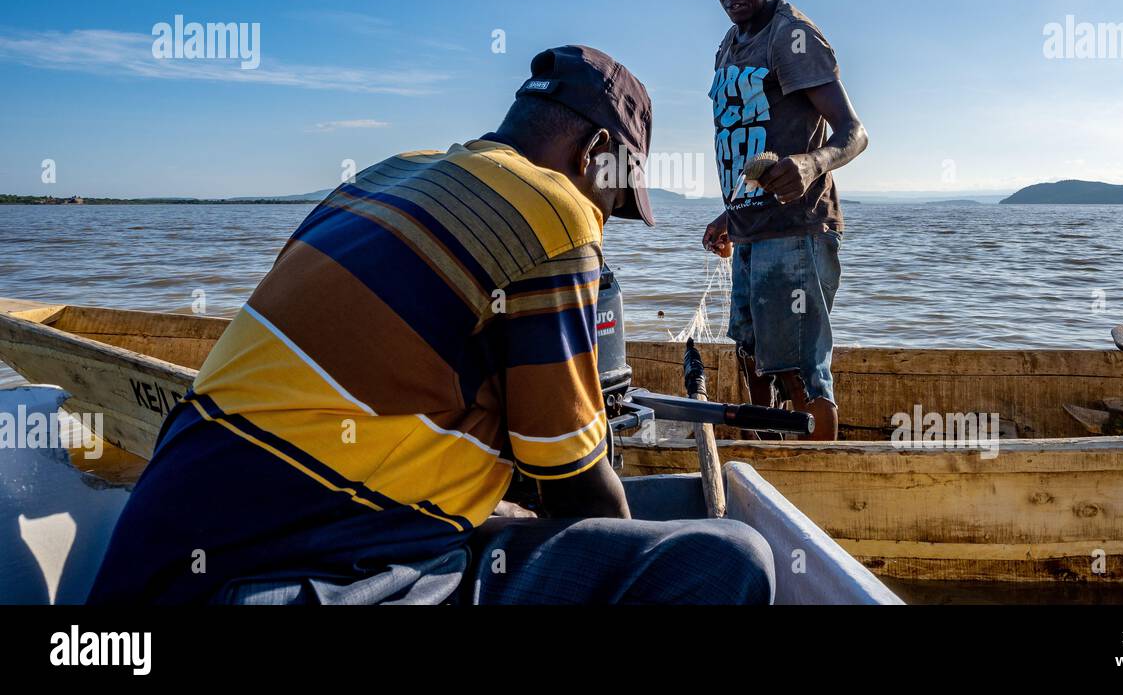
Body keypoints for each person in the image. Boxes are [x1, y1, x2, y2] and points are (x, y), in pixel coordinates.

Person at [89, 45, 774, 605]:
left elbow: (373, 402)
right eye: (615, 196)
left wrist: (472, 506)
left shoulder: (383, 177)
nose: (602, 218)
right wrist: (621, 558)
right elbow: (576, 488)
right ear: (598, 151)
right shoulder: (554, 213)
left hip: (149, 572)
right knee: (727, 560)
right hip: (289, 581)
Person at [702, 0, 868, 442]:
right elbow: (750, 137)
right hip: (752, 232)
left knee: (798, 373)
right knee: (754, 360)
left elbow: (854, 133)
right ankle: (773, 471)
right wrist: (732, 214)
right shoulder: (730, 45)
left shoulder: (791, 36)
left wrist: (811, 164)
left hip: (797, 234)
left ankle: (815, 483)